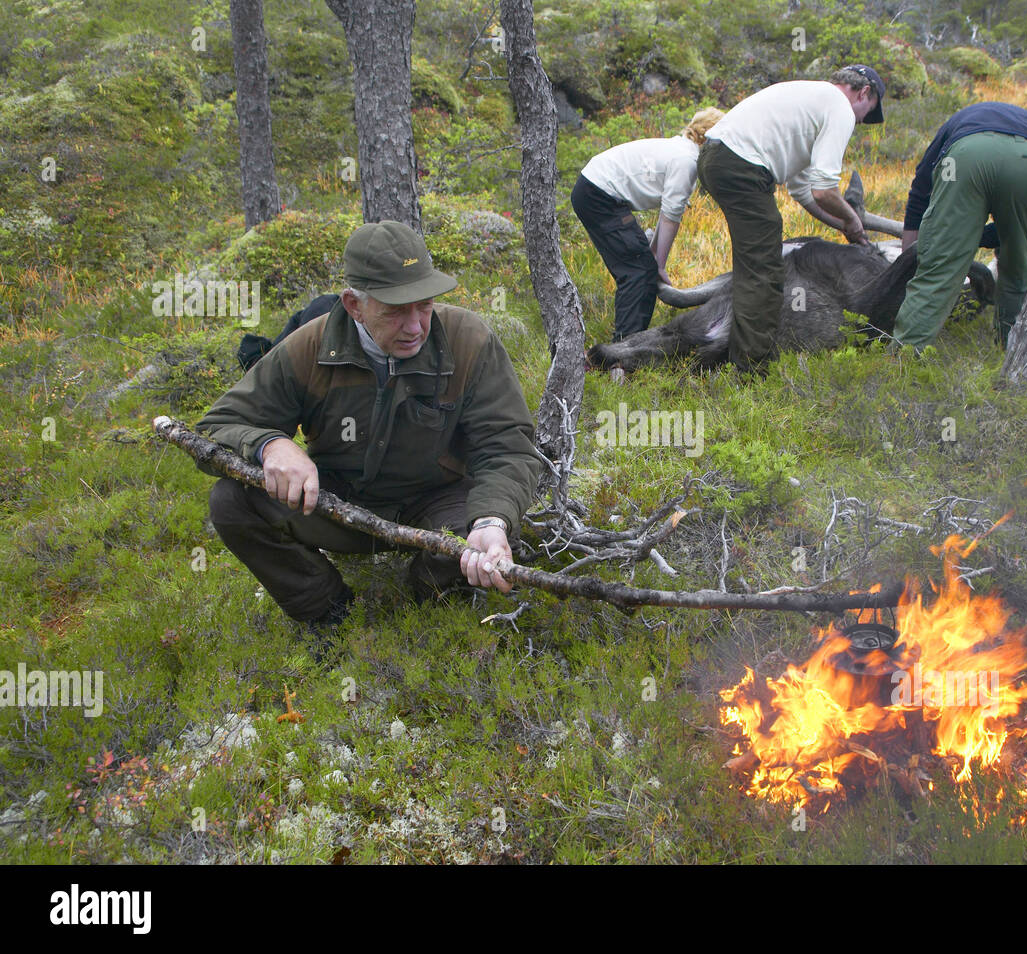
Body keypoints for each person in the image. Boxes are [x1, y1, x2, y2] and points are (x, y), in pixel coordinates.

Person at [197, 220, 542, 629]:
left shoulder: (470, 341)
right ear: (353, 304)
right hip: (338, 501)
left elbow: (508, 446)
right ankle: (329, 613)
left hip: (439, 501)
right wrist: (270, 445)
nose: (415, 326)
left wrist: (491, 520)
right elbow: (215, 427)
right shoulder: (309, 346)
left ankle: (429, 600)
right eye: (396, 310)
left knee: (492, 530)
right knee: (231, 500)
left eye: (425, 305)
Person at [695, 65, 885, 373]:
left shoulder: (810, 98)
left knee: (754, 264)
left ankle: (737, 350)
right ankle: (749, 369)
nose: (861, 121)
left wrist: (845, 226)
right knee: (765, 272)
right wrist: (852, 219)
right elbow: (824, 190)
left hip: (716, 157)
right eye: (868, 112)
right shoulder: (840, 107)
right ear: (864, 92)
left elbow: (804, 191)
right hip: (742, 166)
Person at [893, 102, 1027, 351]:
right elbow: (1016, 224)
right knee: (1018, 265)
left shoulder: (957, 122)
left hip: (966, 157)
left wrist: (913, 258)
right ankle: (1014, 350)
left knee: (939, 269)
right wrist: (1003, 239)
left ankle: (905, 356)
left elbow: (921, 189)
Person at [572, 107, 726, 342]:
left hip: (594, 189)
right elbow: (670, 217)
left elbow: (668, 213)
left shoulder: (679, 149)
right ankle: (624, 348)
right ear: (710, 138)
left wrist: (653, 255)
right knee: (638, 271)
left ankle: (630, 341)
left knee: (640, 266)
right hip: (598, 194)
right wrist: (659, 264)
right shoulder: (686, 160)